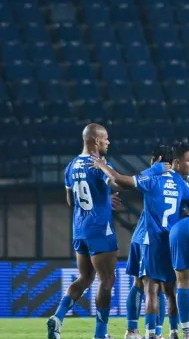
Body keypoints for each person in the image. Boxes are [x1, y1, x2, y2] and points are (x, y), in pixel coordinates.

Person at [90, 142, 189, 339]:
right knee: (157, 286)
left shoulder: (164, 180)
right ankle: (154, 332)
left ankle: (163, 331)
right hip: (159, 239)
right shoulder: (166, 180)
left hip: (164, 239)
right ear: (174, 163)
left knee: (160, 286)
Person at [48, 123, 119, 339]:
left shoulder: (70, 166)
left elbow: (72, 201)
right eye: (105, 138)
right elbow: (117, 181)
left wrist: (103, 199)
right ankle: (100, 334)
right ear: (95, 140)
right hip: (99, 229)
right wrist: (107, 173)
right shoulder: (99, 165)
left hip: (79, 230)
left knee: (86, 277)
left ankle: (58, 317)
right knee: (106, 280)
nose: (108, 141)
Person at [125, 144, 173, 339]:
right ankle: (152, 332)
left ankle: (133, 330)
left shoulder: (153, 179)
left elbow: (133, 180)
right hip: (155, 238)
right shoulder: (177, 181)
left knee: (140, 283)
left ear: (157, 159)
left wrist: (154, 169)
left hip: (145, 236)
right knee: (155, 284)